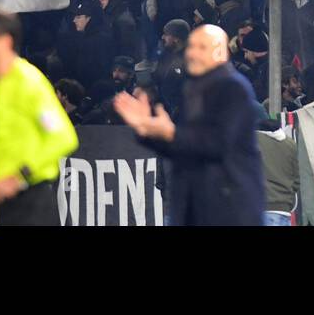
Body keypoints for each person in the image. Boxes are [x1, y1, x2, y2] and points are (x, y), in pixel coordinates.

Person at [113, 23, 264, 226]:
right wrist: (147, 129)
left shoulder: (233, 88)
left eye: (201, 47)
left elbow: (218, 144)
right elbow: (183, 148)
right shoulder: (192, 90)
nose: (192, 53)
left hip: (227, 211)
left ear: (220, 52)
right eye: (191, 46)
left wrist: (170, 133)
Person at [0, 10, 78, 225]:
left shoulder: (28, 83)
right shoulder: (3, 83)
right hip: (12, 202)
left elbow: (62, 137)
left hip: (32, 203)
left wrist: (20, 176)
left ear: (4, 41)